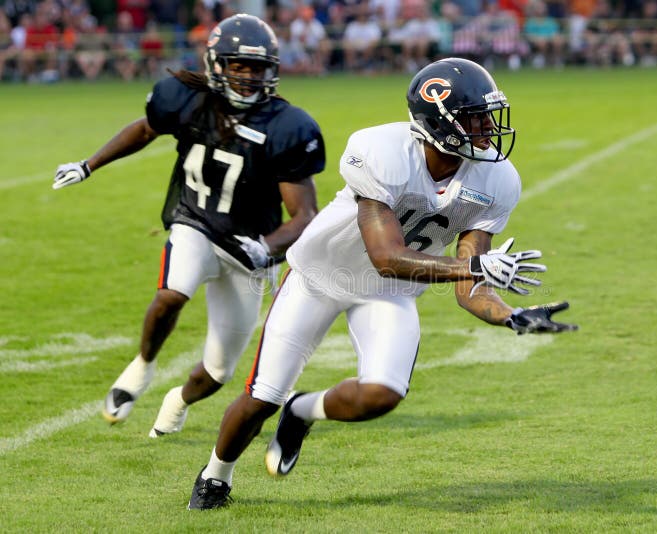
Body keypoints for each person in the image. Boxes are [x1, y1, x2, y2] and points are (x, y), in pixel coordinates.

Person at [186, 57, 578, 510]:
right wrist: (472, 269)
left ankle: (304, 410)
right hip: (321, 276)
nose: (488, 127)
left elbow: (471, 280)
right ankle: (216, 475)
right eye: (475, 117)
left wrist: (510, 316)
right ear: (438, 122)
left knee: (382, 394)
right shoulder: (380, 150)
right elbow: (386, 256)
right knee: (263, 395)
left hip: (389, 293)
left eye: (489, 114)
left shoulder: (498, 179)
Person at [52, 14, 324, 439]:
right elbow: (145, 130)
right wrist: (89, 165)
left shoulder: (287, 126)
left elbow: (305, 216)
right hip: (194, 221)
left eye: (257, 67)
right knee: (172, 292)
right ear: (217, 64)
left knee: (218, 371)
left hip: (248, 248)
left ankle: (176, 399)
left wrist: (265, 247)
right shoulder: (184, 97)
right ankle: (141, 367)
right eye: (238, 65)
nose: (249, 76)